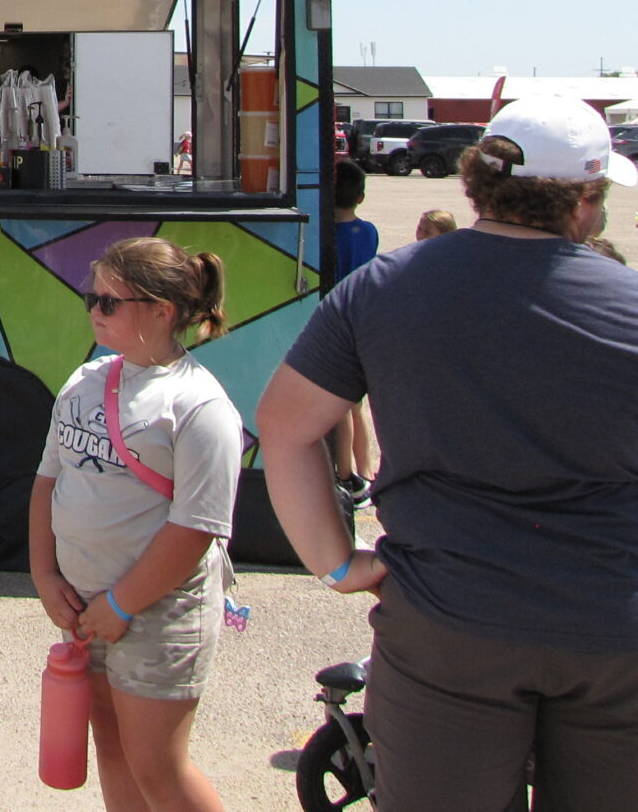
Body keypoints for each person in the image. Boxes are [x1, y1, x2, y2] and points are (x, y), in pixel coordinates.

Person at [257, 96, 638, 812]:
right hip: (614, 628)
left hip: (446, 626)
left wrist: (337, 563)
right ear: (585, 201)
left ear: (475, 181)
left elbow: (284, 426)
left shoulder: (384, 290)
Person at [29, 237, 242, 812]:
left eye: (109, 302)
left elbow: (196, 528)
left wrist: (121, 605)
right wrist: (46, 577)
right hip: (86, 606)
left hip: (157, 612)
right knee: (115, 754)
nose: (95, 311)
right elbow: (49, 481)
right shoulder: (84, 382)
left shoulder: (198, 406)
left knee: (157, 766)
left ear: (161, 311)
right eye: (90, 299)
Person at [329, 158, 379, 501]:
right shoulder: (370, 232)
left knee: (341, 406)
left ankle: (344, 475)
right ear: (360, 197)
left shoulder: (326, 236)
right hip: (363, 321)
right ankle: (366, 470)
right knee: (357, 405)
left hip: (336, 323)